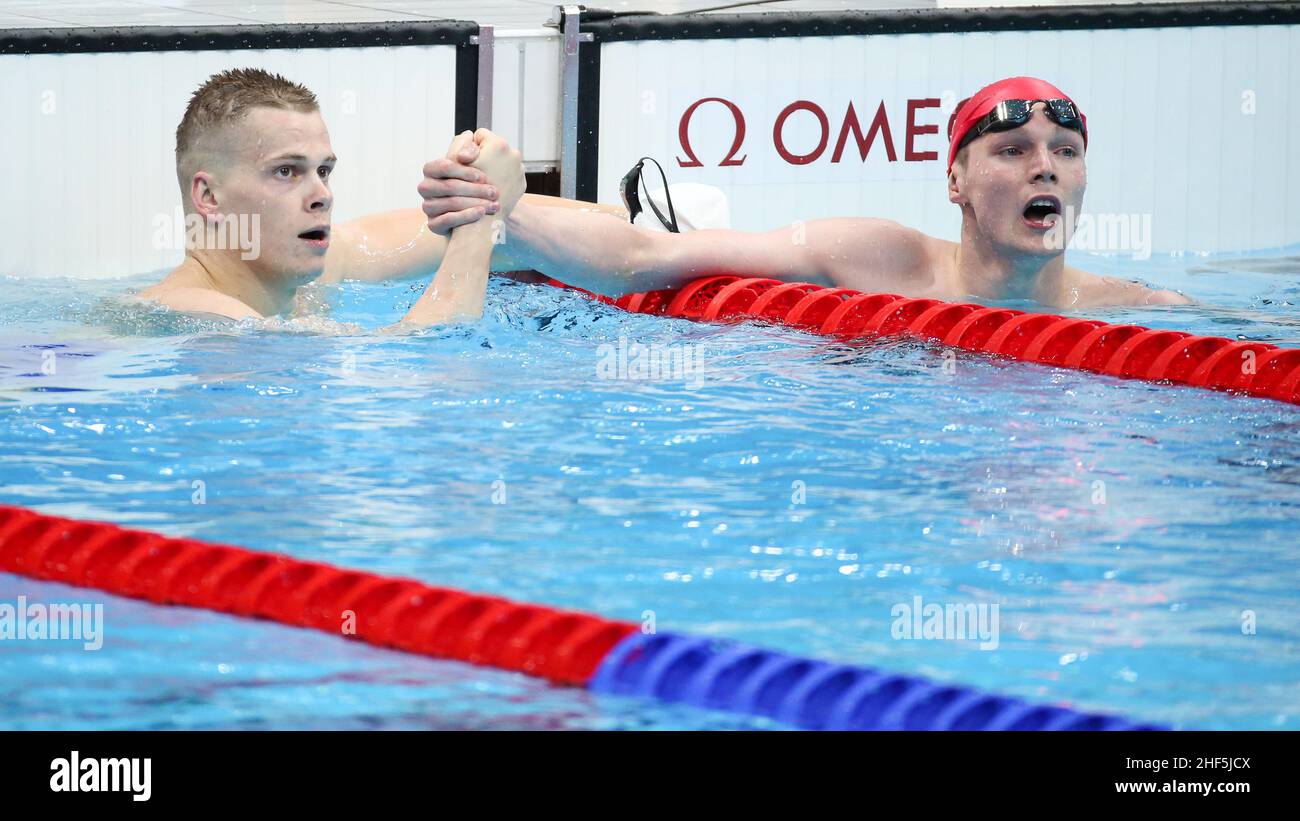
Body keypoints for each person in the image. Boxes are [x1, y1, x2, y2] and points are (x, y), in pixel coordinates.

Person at [419, 76, 1191, 310]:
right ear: (953, 179)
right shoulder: (881, 258)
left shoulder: (1135, 312)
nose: (1045, 167)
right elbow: (649, 254)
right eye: (1013, 149)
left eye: (1065, 151)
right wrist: (499, 208)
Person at [136, 68, 554, 325]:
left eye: (323, 171)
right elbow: (433, 356)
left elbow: (429, 231)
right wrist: (482, 224)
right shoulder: (206, 320)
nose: (322, 195)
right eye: (286, 171)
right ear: (209, 197)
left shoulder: (308, 278)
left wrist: (480, 192)